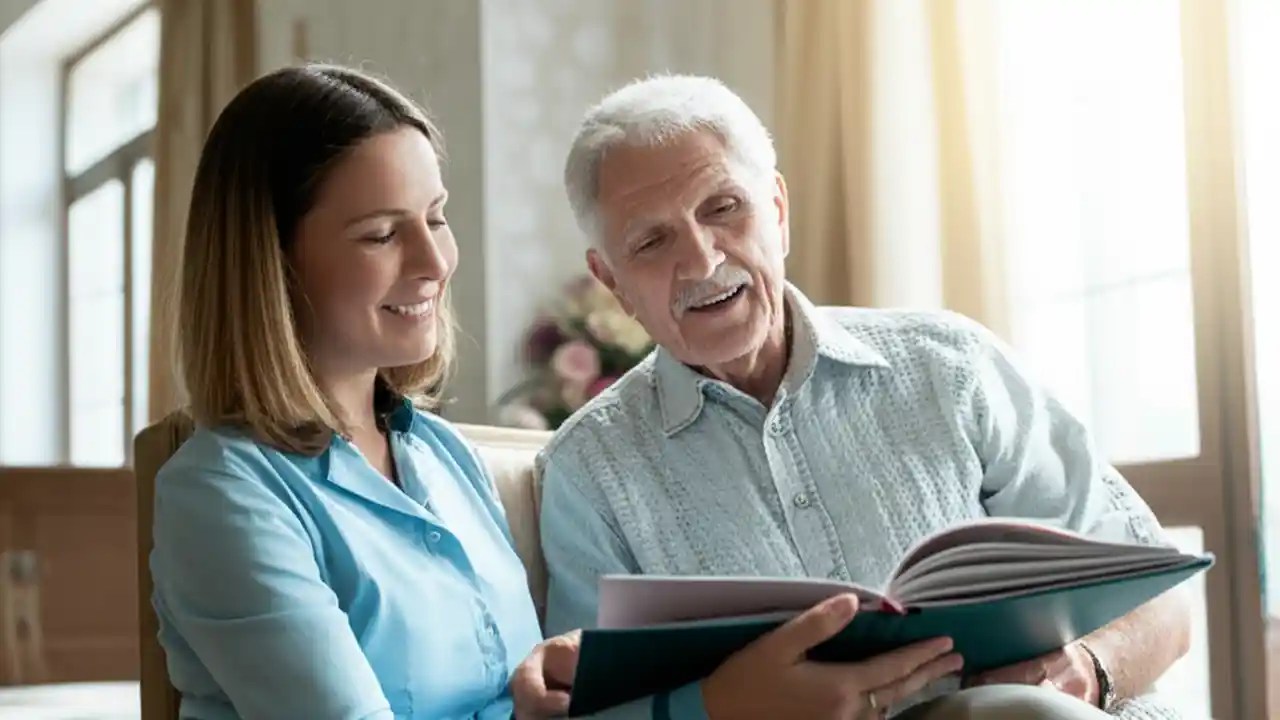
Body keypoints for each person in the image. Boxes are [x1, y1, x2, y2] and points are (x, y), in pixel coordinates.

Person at [538, 74, 1191, 719]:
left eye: (723, 207)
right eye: (652, 241)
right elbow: (590, 707)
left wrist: (1087, 670)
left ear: (779, 210)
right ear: (612, 281)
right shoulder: (589, 472)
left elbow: (1161, 603)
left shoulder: (951, 365)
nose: (704, 260)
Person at [150, 64, 577, 720]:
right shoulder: (221, 493)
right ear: (273, 264)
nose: (435, 262)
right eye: (382, 234)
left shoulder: (443, 455)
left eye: (435, 218)